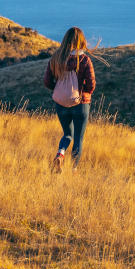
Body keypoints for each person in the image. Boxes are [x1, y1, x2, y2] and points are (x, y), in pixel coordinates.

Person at [43, 26, 96, 173]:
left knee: (67, 134)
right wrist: (84, 94)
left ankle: (60, 154)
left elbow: (47, 81)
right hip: (81, 104)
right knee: (78, 137)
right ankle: (73, 170)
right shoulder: (85, 60)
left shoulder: (56, 58)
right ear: (82, 41)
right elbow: (91, 84)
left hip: (61, 104)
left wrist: (59, 90)